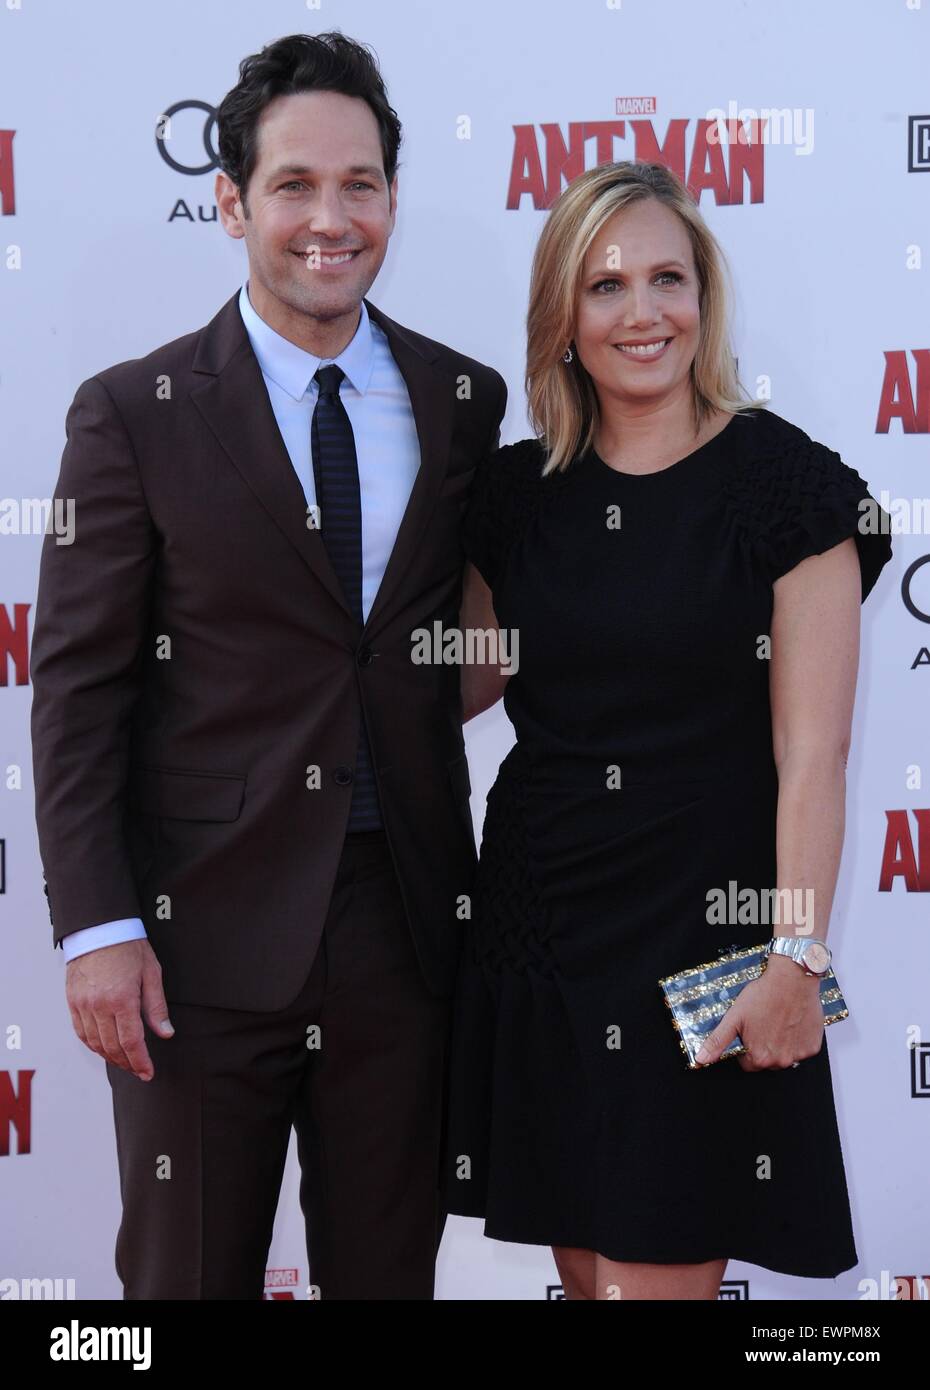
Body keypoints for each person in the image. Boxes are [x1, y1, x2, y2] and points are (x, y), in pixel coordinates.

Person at [30, 31, 505, 1300]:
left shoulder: (464, 401)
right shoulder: (133, 412)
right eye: (294, 185)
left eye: (359, 185)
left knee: (388, 1283)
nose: (329, 219)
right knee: (181, 1287)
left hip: (403, 936)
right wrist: (100, 928)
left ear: (394, 199)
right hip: (195, 943)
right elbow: (77, 691)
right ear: (232, 200)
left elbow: (458, 645)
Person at [443, 160, 892, 1300]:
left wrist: (797, 958)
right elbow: (455, 683)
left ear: (706, 295)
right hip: (542, 930)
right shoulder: (516, 496)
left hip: (706, 943)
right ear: (561, 316)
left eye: (667, 279)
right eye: (604, 287)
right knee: (590, 1272)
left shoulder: (786, 488)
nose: (642, 313)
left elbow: (814, 757)